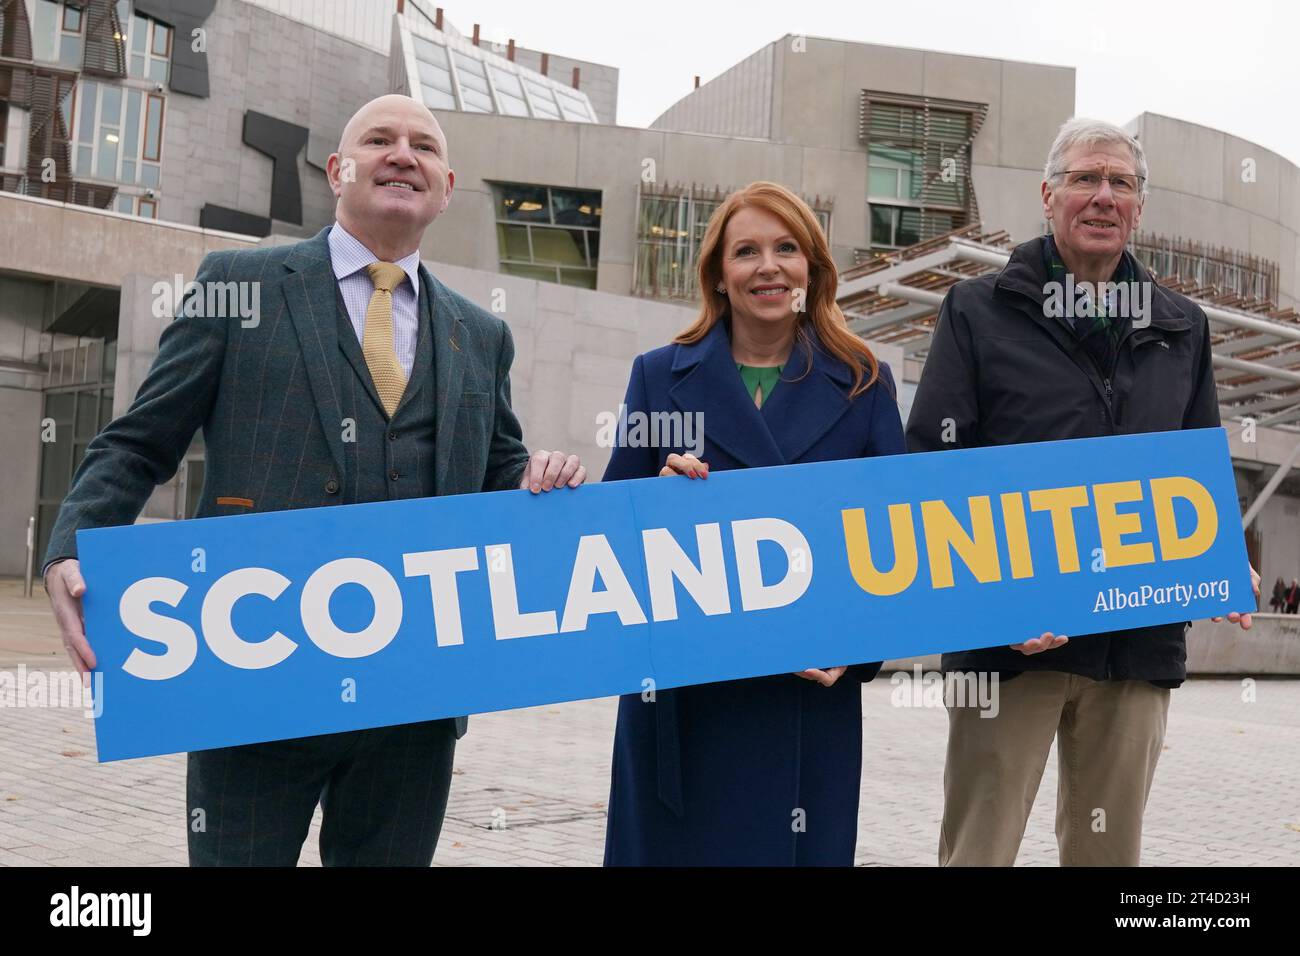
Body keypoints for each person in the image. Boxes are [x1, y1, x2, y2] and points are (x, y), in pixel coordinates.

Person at [42, 94, 586, 866]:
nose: (403, 153)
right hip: (257, 677)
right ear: (338, 170)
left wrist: (535, 474)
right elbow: (138, 442)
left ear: (447, 186)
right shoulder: (239, 285)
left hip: (415, 702)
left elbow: (497, 467)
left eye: (423, 146)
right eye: (379, 139)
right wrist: (71, 545)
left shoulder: (481, 334)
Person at [907, 117, 1259, 867]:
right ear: (1048, 194)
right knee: (979, 850)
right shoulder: (977, 310)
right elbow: (931, 471)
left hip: (1135, 648)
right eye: (1084, 178)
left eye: (1121, 183)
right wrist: (1000, 603)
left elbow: (1199, 467)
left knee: (1108, 858)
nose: (1103, 196)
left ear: (1139, 206)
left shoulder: (1181, 326)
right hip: (1007, 648)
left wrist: (1222, 554)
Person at [601, 181, 905, 866]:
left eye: (786, 248)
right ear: (718, 274)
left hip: (805, 711)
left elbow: (894, 546)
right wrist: (653, 498)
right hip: (683, 706)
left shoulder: (864, 382)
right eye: (746, 251)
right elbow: (608, 547)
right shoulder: (657, 377)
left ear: (813, 268)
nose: (767, 266)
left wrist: (852, 651)